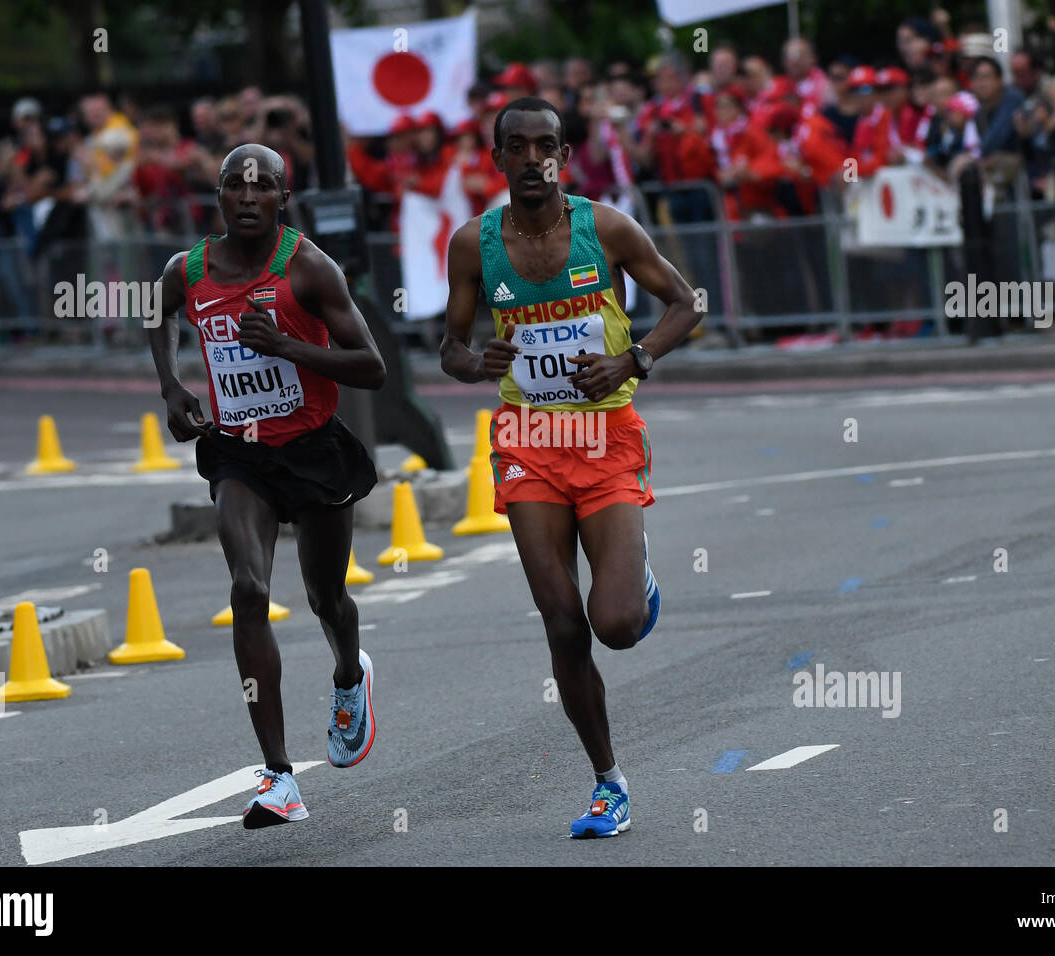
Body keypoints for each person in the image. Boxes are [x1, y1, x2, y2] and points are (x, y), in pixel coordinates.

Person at [440, 97, 701, 838]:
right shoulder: (472, 244)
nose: (532, 159)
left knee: (613, 624)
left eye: (545, 145)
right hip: (527, 438)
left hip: (607, 434)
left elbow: (687, 303)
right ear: (497, 159)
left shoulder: (607, 228)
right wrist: (472, 363)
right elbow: (450, 348)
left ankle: (635, 578)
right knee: (562, 623)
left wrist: (634, 358)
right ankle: (607, 783)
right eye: (516, 147)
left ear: (564, 155)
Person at [148, 143, 386, 828]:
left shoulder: (308, 268)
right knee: (249, 591)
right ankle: (279, 775)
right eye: (234, 187)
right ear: (219, 196)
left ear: (285, 198)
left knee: (326, 597)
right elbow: (153, 312)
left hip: (313, 450)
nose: (248, 198)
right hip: (239, 454)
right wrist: (171, 386)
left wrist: (286, 346)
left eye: (263, 188)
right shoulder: (186, 270)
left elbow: (370, 367)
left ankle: (349, 676)